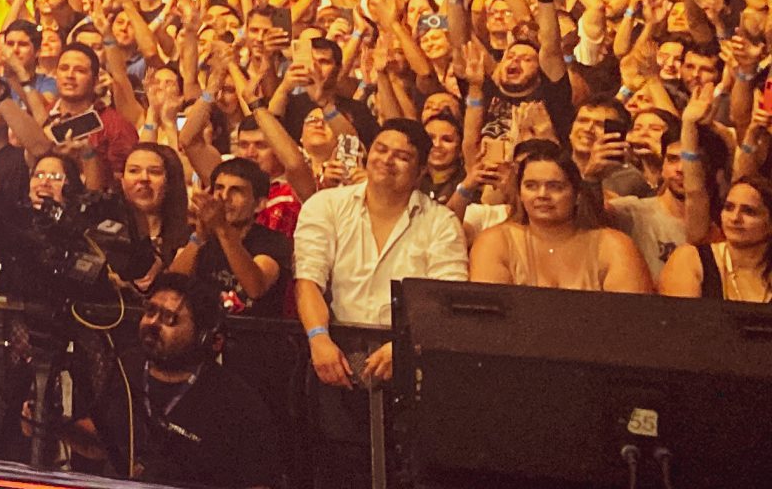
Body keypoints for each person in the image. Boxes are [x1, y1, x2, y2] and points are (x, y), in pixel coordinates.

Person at [292, 118, 468, 489]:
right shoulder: (325, 205)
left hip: (409, 355)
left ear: (421, 170)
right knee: (337, 466)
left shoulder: (441, 222)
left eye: (402, 156)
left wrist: (403, 346)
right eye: (381, 150)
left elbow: (444, 299)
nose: (388, 160)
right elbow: (308, 279)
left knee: (405, 470)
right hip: (337, 348)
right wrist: (318, 338)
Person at [81, 274, 283, 489]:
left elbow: (258, 483)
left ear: (204, 337)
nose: (152, 323)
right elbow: (100, 443)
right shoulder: (127, 366)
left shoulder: (237, 402)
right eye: (150, 311)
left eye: (170, 318)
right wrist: (55, 423)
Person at [467, 140, 653, 293]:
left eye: (555, 186)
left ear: (577, 195)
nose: (542, 195)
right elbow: (488, 325)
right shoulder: (495, 242)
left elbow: (631, 323)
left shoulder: (614, 246)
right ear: (520, 193)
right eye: (531, 186)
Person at [658, 172, 769, 302]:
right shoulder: (690, 259)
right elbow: (681, 320)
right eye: (729, 208)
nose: (735, 218)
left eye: (749, 211)